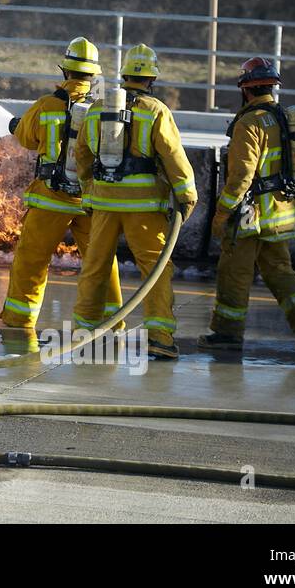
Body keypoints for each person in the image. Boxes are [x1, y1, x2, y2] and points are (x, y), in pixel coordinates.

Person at [72, 43, 197, 360]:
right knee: (155, 270)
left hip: (104, 204)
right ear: (151, 79)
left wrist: (89, 191)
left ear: (125, 74)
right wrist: (187, 196)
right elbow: (172, 156)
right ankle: (160, 338)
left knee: (95, 268)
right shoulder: (156, 111)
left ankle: (83, 334)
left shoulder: (99, 108)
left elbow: (83, 154)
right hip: (143, 208)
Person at [0, 37, 121, 352]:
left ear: (65, 70)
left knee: (32, 260)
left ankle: (19, 321)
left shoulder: (47, 104)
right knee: (101, 260)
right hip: (89, 200)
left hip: (49, 198)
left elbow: (26, 137)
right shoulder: (103, 109)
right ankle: (111, 322)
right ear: (92, 75)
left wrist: (17, 125)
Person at [198, 58, 295, 353]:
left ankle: (228, 334)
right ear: (271, 87)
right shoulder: (283, 118)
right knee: (281, 270)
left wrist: (222, 213)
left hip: (250, 216)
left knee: (234, 271)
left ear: (245, 89)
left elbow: (241, 176)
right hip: (281, 212)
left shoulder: (249, 123)